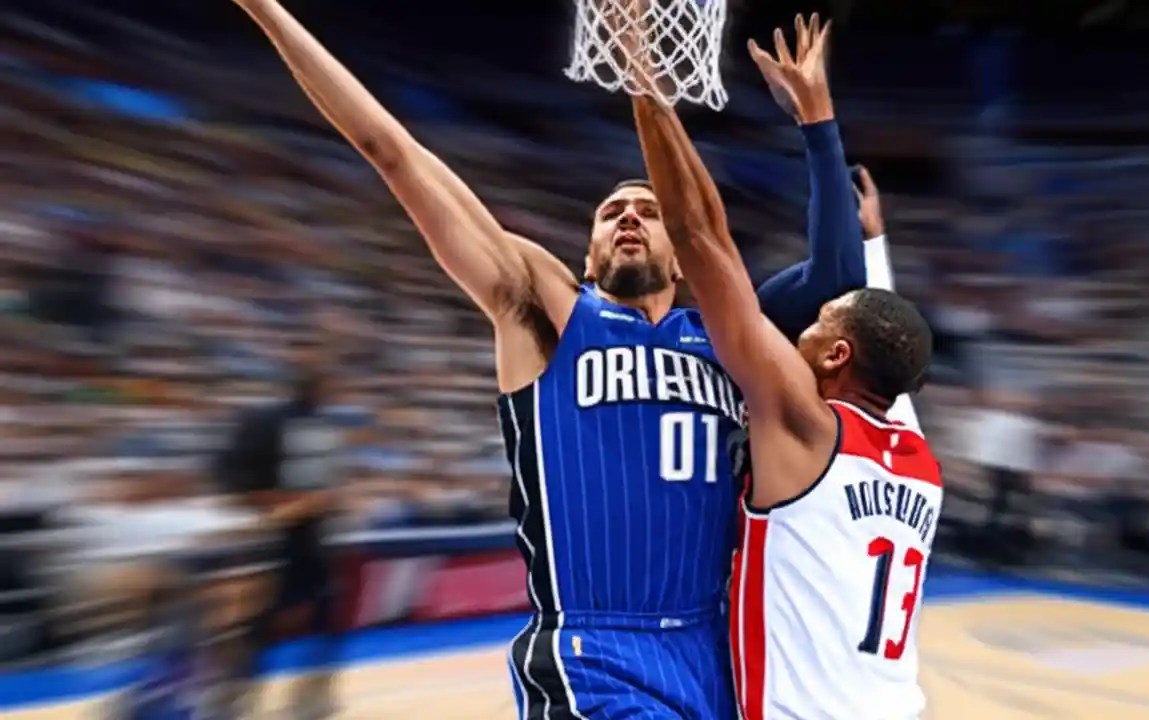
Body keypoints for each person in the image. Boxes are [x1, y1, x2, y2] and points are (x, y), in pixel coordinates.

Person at [225, 1, 870, 717]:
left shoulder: (728, 334)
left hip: (712, 653)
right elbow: (392, 150)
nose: (629, 215)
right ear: (587, 254)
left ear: (682, 259)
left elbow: (840, 278)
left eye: (650, 210)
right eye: (610, 212)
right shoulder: (548, 310)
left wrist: (817, 121)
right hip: (592, 655)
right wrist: (270, 13)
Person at [632, 15, 942, 720]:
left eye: (820, 326)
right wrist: (821, 125)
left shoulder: (803, 424)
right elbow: (883, 331)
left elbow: (701, 236)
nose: (803, 327)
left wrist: (645, 84)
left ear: (835, 356)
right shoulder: (917, 455)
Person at [213, 355, 346, 718]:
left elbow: (228, 477)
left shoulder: (272, 421)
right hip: (283, 536)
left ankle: (246, 700)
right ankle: (253, 699)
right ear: (319, 389)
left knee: (289, 621)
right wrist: (293, 505)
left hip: (286, 535)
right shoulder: (304, 426)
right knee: (269, 623)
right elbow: (313, 493)